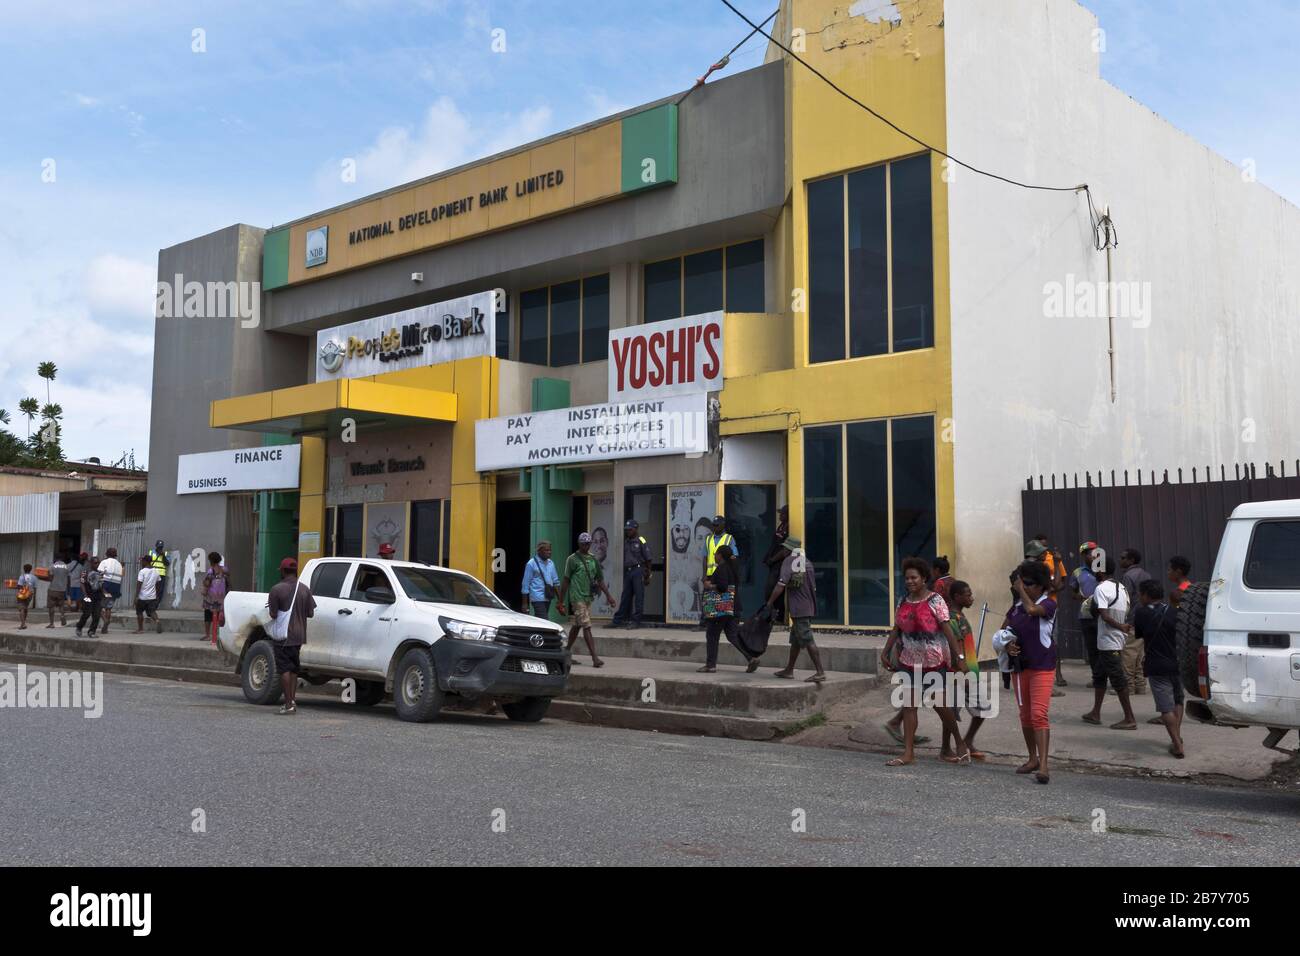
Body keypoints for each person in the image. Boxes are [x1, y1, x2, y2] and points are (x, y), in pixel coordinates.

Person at [878, 557, 969, 767]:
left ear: (924, 578)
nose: (909, 581)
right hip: (909, 661)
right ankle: (908, 753)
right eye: (907, 578)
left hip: (934, 662)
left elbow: (948, 631)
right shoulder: (903, 601)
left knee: (940, 705)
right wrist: (886, 651)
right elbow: (897, 628)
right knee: (910, 706)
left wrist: (959, 658)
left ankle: (958, 740)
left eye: (914, 577)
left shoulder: (935, 600)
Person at [1003, 561, 1059, 784]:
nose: (1024, 587)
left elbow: (1033, 610)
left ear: (1041, 586)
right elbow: (1003, 631)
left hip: (1042, 666)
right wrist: (1007, 645)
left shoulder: (1049, 604)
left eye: (1028, 583)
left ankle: (1044, 765)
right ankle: (1032, 758)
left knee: (1038, 714)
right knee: (1025, 715)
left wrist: (1020, 592)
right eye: (1022, 583)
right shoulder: (1016, 606)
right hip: (1020, 666)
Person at [1081, 557, 1138, 730]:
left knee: (1118, 680)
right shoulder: (1121, 588)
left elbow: (1104, 616)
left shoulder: (1101, 588)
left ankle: (1130, 718)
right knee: (1099, 675)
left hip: (1109, 642)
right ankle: (1095, 713)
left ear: (1100, 571)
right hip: (1112, 640)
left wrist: (1119, 626)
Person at [764, 537, 827, 684]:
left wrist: (770, 602)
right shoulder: (807, 563)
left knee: (807, 639)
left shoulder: (789, 562)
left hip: (799, 608)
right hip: (808, 606)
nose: (783, 551)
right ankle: (789, 670)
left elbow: (781, 584)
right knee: (796, 641)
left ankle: (820, 672)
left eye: (785, 548)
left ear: (789, 550)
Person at [1134, 579, 1185, 756]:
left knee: (1165, 708)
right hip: (1177, 663)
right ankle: (1177, 736)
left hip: (1156, 665)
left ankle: (1177, 744)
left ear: (1146, 595)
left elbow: (1139, 634)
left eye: (1141, 593)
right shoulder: (1174, 612)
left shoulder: (1140, 613)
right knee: (1178, 700)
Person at [941, 580, 989, 761]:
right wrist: (963, 671)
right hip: (959, 672)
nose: (971, 598)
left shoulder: (959, 616)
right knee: (951, 712)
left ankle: (967, 740)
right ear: (956, 597)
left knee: (981, 708)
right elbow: (956, 647)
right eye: (967, 595)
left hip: (970, 671)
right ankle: (946, 748)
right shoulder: (953, 618)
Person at [698, 545, 759, 673]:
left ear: (720, 555)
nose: (714, 556)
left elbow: (722, 586)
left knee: (712, 635)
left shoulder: (722, 568)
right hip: (734, 607)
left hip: (721, 609)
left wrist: (709, 585)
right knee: (733, 636)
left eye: (715, 553)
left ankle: (710, 665)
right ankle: (751, 658)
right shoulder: (733, 568)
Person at [558, 532, 616, 667]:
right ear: (579, 544)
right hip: (577, 597)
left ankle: (565, 652)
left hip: (587, 597)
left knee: (578, 624)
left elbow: (600, 580)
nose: (586, 546)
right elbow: (566, 580)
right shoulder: (572, 559)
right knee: (587, 625)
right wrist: (560, 601)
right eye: (583, 544)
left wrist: (609, 596)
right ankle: (595, 658)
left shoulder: (593, 559)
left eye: (588, 544)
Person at [267, 557, 315, 716]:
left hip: (284, 635)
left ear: (282, 571)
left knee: (284, 669)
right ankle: (292, 701)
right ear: (295, 571)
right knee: (294, 669)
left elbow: (273, 615)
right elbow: (311, 613)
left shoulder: (276, 589)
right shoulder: (304, 589)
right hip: (299, 635)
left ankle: (288, 704)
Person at [1118, 548, 1151, 695]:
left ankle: (1128, 686)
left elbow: (1126, 600)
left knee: (1128, 653)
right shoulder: (1146, 574)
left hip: (1132, 619)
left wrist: (1124, 619)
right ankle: (1140, 685)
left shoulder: (1128, 576)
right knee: (1140, 653)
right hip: (1146, 618)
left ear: (1131, 560)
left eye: (1123, 557)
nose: (1121, 560)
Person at [611, 519, 652, 629]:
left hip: (638, 571)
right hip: (629, 571)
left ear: (636, 529)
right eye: (626, 530)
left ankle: (636, 621)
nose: (628, 531)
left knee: (639, 597)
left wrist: (648, 575)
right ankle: (618, 620)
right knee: (625, 597)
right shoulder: (626, 541)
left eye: (630, 529)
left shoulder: (641, 540)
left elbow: (648, 559)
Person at [1070, 540, 1101, 677]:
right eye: (1090, 554)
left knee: (1106, 648)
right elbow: (1072, 592)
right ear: (1083, 556)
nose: (1093, 556)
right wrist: (1080, 597)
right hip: (1086, 615)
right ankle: (1097, 677)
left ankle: (1110, 678)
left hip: (1103, 614)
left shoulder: (1104, 569)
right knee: (1092, 648)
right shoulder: (1077, 572)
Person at [761, 505, 790, 620]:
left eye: (782, 514)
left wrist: (773, 559)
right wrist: (767, 558)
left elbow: (784, 550)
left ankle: (778, 616)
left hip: (780, 565)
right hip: (773, 564)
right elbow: (774, 545)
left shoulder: (788, 528)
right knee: (770, 590)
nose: (780, 516)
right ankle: (773, 615)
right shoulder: (781, 526)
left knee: (773, 590)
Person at [520, 540, 560, 619]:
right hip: (537, 597)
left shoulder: (551, 563)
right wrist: (524, 604)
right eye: (547, 550)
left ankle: (534, 631)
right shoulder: (531, 563)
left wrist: (560, 600)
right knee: (544, 619)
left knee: (540, 621)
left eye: (550, 550)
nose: (549, 552)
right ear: (539, 551)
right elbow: (525, 584)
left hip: (548, 597)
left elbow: (556, 582)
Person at [201, 552, 228, 644]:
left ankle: (208, 635)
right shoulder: (224, 570)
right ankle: (217, 635)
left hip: (211, 598)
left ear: (211, 561)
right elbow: (228, 580)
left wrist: (204, 589)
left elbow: (207, 583)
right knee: (219, 616)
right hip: (221, 597)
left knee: (208, 616)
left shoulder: (211, 571)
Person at [97, 547, 125, 634]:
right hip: (115, 588)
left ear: (107, 554)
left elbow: (99, 574)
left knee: (98, 606)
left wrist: (101, 588)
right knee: (108, 608)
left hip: (106, 587)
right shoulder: (119, 564)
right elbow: (122, 575)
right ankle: (105, 628)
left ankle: (105, 620)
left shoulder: (104, 562)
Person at [75, 557, 104, 639]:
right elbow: (82, 583)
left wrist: (104, 593)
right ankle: (79, 627)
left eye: (98, 563)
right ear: (91, 563)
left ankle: (92, 631)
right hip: (88, 596)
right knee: (87, 613)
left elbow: (101, 584)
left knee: (97, 615)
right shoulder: (85, 572)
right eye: (95, 563)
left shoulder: (100, 573)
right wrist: (85, 595)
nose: (97, 564)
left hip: (97, 596)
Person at [135, 555, 162, 633]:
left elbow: (139, 584)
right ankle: (157, 621)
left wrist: (136, 596)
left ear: (145, 561)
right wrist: (156, 594)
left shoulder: (142, 571)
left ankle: (140, 629)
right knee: (152, 611)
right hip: (152, 597)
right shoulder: (156, 571)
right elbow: (158, 583)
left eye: (142, 561)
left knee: (139, 612)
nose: (141, 562)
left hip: (142, 597)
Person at [46, 553, 69, 628]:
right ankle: (62, 615)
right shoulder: (66, 567)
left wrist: (44, 577)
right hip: (62, 589)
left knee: (51, 606)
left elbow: (50, 578)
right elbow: (68, 579)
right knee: (61, 605)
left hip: (53, 589)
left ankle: (52, 623)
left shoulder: (52, 566)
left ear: (55, 558)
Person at [15, 564, 38, 629]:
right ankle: (24, 622)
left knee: (21, 608)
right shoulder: (34, 577)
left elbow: (19, 586)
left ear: (24, 569)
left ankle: (23, 624)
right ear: (31, 569)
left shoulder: (22, 576)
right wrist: (34, 596)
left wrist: (16, 587)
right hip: (30, 594)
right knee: (25, 608)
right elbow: (35, 588)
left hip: (22, 594)